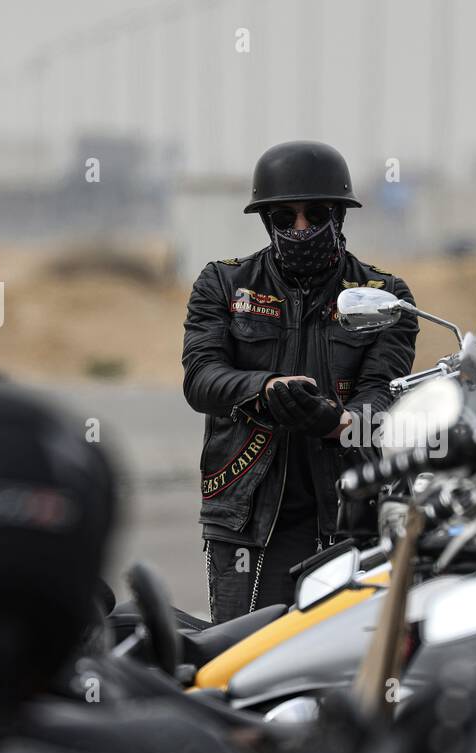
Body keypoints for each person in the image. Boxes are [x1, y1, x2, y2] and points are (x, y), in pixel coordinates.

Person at [182, 141, 418, 623]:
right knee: (240, 657)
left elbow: (386, 394)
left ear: (339, 215)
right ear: (268, 222)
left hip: (350, 513)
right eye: (286, 218)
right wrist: (266, 390)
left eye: (315, 214)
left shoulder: (384, 295)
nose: (301, 228)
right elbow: (201, 377)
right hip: (246, 516)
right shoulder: (224, 285)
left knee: (339, 659)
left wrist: (342, 422)